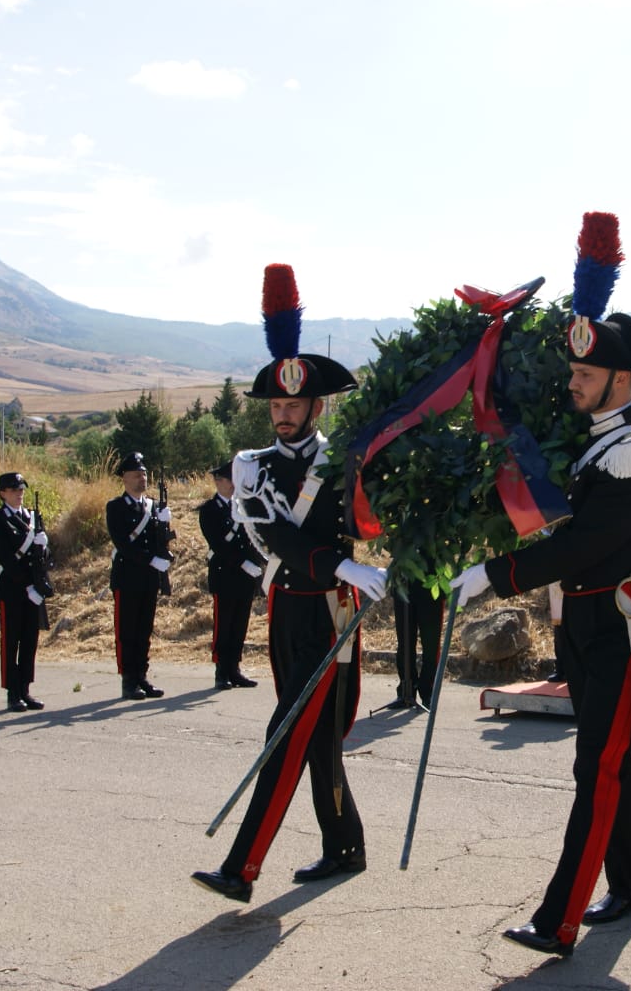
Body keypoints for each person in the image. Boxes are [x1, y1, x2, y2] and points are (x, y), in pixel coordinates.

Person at [449, 211, 631, 958]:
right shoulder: (593, 445)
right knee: (610, 762)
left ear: (622, 379)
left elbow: (585, 545)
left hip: (630, 631)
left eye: (584, 375)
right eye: (574, 372)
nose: (572, 383)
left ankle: (559, 920)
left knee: (599, 768)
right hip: (588, 626)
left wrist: (495, 576)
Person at [192, 263, 387, 905]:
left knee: (287, 732)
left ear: (316, 406)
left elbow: (374, 514)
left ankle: (241, 866)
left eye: (292, 405)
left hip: (331, 612)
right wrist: (343, 565)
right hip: (287, 606)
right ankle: (346, 844)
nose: (281, 415)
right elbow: (276, 538)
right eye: (275, 405)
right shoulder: (251, 468)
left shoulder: (344, 457)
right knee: (316, 736)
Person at [106, 452, 172, 700]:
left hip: (149, 578)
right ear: (124, 478)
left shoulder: (153, 506)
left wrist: (165, 525)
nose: (142, 479)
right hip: (127, 577)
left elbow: (158, 541)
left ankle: (142, 675)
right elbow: (123, 543)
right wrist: (150, 559)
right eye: (136, 475)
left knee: (144, 630)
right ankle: (128, 679)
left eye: (143, 474)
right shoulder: (115, 507)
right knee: (127, 631)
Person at [0, 472, 52, 712]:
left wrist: (44, 547)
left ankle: (25, 689)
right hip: (13, 589)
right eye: (14, 490)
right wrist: (27, 586)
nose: (19, 493)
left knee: (29, 641)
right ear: (2, 493)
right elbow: (5, 556)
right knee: (11, 641)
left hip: (34, 588)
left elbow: (43, 558)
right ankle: (12, 692)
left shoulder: (32, 517)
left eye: (21, 489)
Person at [197, 460, 262, 690]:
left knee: (240, 624)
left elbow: (252, 538)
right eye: (229, 479)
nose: (234, 484)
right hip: (225, 574)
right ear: (218, 481)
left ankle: (235, 669)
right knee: (223, 625)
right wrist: (243, 563)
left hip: (245, 576)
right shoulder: (209, 509)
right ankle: (221, 671)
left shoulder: (244, 505)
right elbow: (218, 544)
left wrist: (259, 562)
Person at [389, 582, 442, 710]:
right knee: (404, 643)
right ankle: (406, 692)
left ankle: (428, 693)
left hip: (430, 587)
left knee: (431, 645)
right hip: (403, 585)